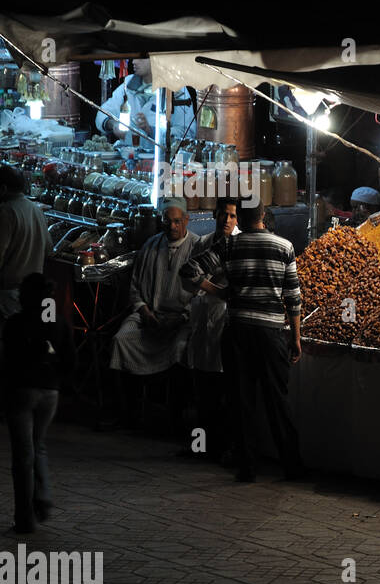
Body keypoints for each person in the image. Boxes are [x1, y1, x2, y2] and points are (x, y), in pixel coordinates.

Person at [187, 201, 304, 482]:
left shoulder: (229, 246)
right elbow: (293, 298)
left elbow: (189, 271)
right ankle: (292, 466)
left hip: (237, 332)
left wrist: (220, 292)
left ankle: (247, 467)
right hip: (271, 334)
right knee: (277, 400)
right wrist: (296, 339)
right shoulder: (284, 247)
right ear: (263, 216)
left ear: (242, 217)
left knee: (242, 401)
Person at [108, 200, 199, 428]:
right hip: (148, 316)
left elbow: (201, 295)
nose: (172, 226)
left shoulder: (198, 247)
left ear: (186, 220)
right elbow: (135, 288)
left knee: (180, 349)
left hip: (181, 321)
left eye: (177, 221)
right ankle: (128, 411)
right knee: (121, 340)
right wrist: (144, 310)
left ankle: (173, 418)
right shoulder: (150, 246)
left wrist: (182, 317)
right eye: (167, 221)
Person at [4, 273, 73, 533]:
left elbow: (8, 361)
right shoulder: (59, 322)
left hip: (22, 390)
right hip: (50, 391)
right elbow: (70, 360)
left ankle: (24, 518)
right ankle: (42, 497)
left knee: (23, 456)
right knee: (38, 445)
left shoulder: (15, 323)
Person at [181, 197, 239, 458]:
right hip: (202, 316)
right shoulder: (204, 243)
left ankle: (222, 446)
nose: (226, 220)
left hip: (222, 320)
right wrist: (213, 288)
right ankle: (200, 445)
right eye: (223, 215)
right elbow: (188, 280)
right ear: (215, 215)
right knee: (201, 390)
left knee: (223, 390)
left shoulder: (238, 244)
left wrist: (204, 285)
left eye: (232, 216)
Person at [0, 163, 52, 345]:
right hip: (33, 295)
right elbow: (48, 248)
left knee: (10, 347)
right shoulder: (35, 209)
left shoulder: (6, 212)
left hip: (9, 295)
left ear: (3, 188)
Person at [95, 58, 195, 147]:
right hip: (129, 157)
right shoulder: (128, 83)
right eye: (134, 57)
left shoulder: (176, 89)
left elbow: (188, 132)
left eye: (141, 58)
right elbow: (102, 114)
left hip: (161, 159)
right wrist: (113, 124)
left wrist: (151, 130)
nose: (134, 62)